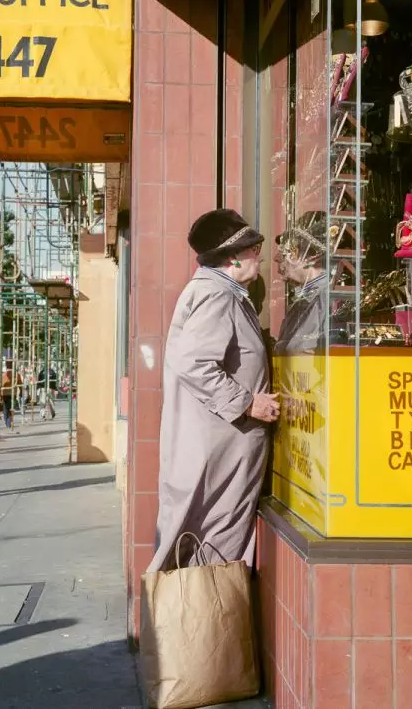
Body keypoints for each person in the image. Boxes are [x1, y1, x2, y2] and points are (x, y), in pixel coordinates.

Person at [148, 209, 280, 573]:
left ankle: (195, 623)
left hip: (215, 444)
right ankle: (205, 625)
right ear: (232, 257)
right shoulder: (218, 294)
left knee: (202, 540)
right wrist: (248, 402)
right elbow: (194, 362)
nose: (260, 255)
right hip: (220, 446)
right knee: (214, 544)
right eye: (253, 249)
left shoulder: (218, 291)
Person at [274, 211, 328, 355]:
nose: (277, 258)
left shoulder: (325, 297)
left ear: (313, 257)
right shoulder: (308, 294)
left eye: (288, 252)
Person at [0, 361, 21, 429]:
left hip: (5, 394)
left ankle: (7, 421)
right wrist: (21, 391)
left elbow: (1, 385)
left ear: (6, 365)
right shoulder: (16, 374)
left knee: (6, 408)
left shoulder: (4, 375)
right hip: (13, 393)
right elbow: (20, 384)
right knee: (10, 408)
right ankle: (9, 421)